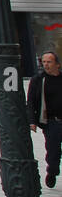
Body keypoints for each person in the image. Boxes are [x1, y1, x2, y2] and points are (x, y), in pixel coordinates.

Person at [27, 50, 62, 189]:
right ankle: (52, 172)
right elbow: (30, 102)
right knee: (53, 151)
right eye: (44, 62)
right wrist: (32, 121)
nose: (46, 65)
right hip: (51, 122)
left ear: (57, 64)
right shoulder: (38, 80)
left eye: (49, 62)